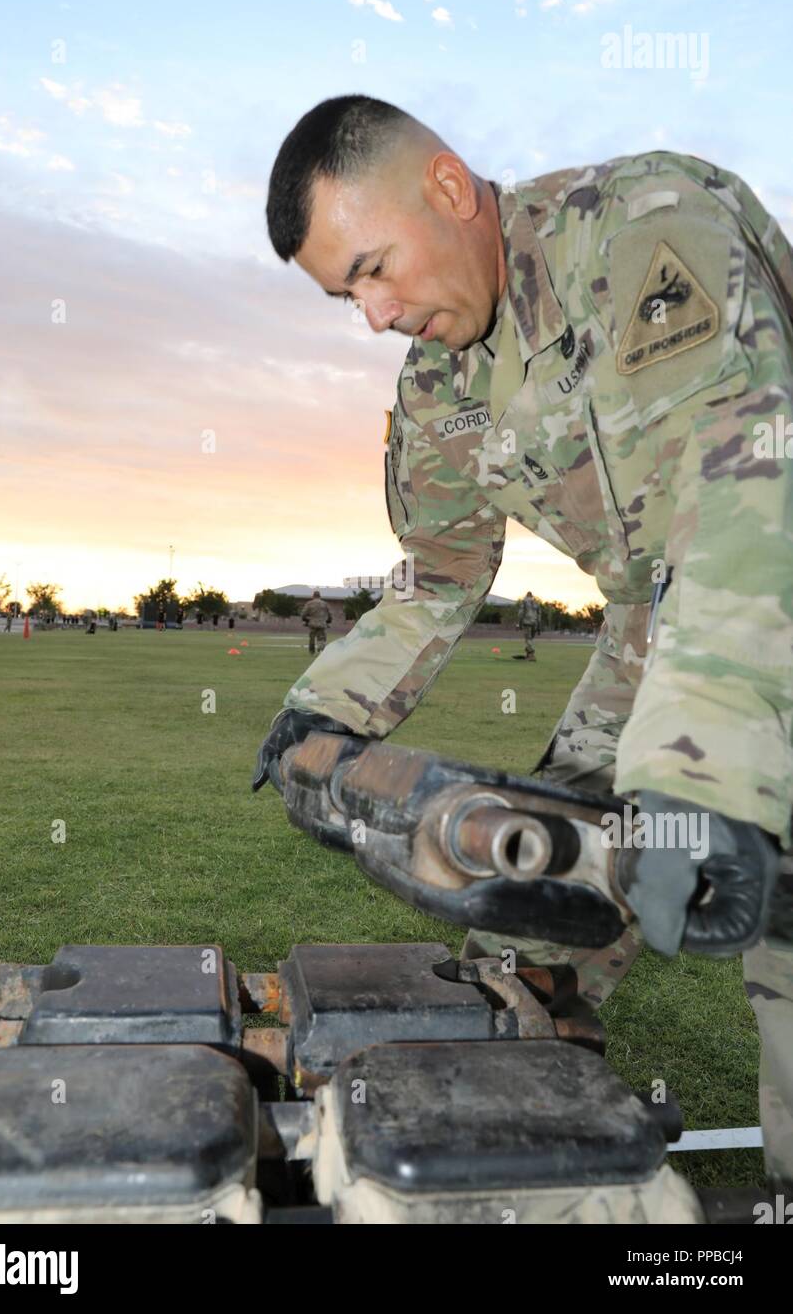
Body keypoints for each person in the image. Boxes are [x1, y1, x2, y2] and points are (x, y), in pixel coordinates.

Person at [252, 95, 793, 1197]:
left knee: (770, 933)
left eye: (373, 267)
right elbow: (437, 574)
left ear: (448, 189)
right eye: (345, 293)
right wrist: (328, 711)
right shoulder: (440, 382)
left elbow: (742, 485)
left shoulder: (641, 223)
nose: (373, 314)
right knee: (539, 909)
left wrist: (698, 781)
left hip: (761, 559)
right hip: (662, 615)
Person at [300, 590, 332, 655]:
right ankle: (320, 648)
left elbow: (303, 614)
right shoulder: (324, 604)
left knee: (312, 638)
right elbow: (330, 614)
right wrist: (328, 621)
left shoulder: (309, 603)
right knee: (322, 637)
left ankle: (312, 652)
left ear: (313, 596)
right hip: (322, 623)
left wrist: (306, 620)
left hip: (312, 623)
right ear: (320, 596)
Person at [517, 591, 540, 662]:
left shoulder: (524, 601)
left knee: (528, 639)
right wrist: (538, 625)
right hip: (535, 623)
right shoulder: (536, 603)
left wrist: (519, 623)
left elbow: (521, 613)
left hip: (527, 622)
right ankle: (528, 654)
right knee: (531, 639)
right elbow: (539, 614)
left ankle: (531, 655)